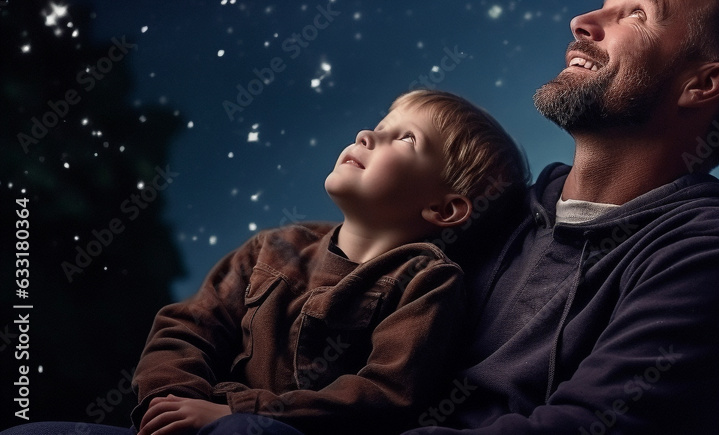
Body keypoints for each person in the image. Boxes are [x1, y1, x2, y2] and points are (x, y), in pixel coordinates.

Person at [395, 0, 719, 434]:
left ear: (701, 85)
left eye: (635, 14)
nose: (581, 22)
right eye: (604, 5)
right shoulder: (490, 217)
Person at [2, 90, 527, 435]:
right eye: (379, 124)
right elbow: (186, 329)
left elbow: (389, 395)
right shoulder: (272, 249)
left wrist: (240, 411)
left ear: (444, 207)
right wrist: (173, 402)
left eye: (406, 139)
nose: (368, 135)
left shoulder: (428, 281)